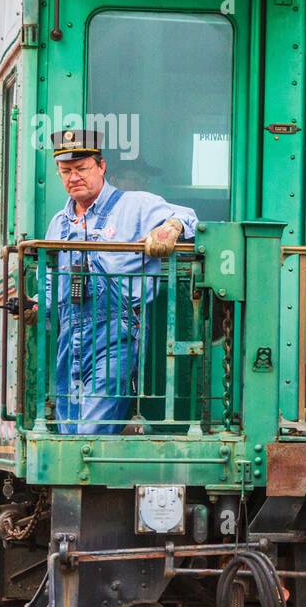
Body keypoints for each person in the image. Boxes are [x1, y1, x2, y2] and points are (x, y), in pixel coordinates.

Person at [37, 129, 198, 434]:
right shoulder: (58, 224)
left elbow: (188, 216)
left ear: (101, 166)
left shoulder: (135, 204)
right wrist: (37, 307)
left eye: (82, 169)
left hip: (116, 332)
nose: (74, 178)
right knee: (68, 425)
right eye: (65, 171)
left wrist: (172, 227)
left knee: (93, 429)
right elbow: (47, 282)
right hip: (68, 334)